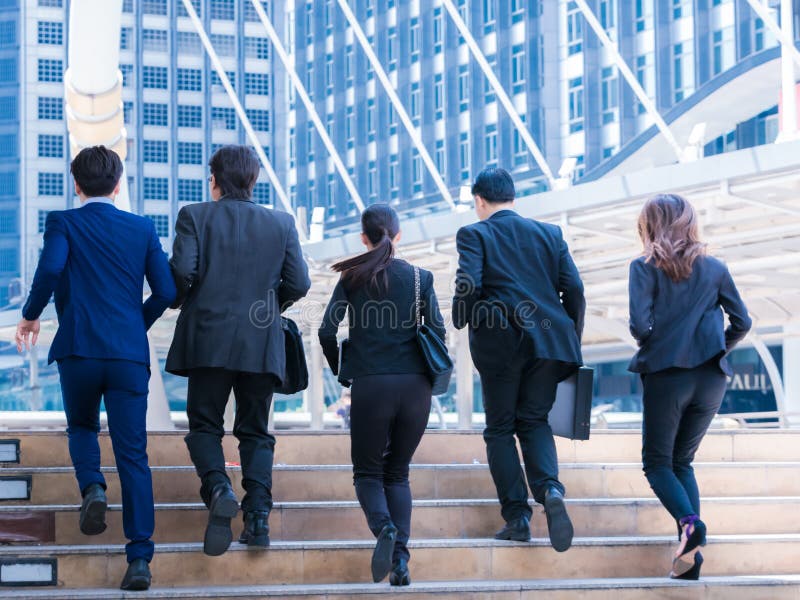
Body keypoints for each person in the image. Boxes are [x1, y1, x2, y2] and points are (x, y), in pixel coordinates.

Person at [15, 146, 175, 591]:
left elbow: (49, 271)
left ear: (76, 184)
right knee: (133, 455)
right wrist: (131, 326)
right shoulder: (142, 228)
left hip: (79, 349)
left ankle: (92, 488)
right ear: (119, 183)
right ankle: (139, 558)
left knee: (83, 429)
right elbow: (166, 290)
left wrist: (30, 315)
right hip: (127, 356)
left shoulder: (63, 221)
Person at [167, 145, 310, 557]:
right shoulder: (281, 224)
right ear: (254, 180)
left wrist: (182, 299)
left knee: (204, 426)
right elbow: (298, 283)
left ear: (215, 179)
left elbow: (182, 272)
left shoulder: (194, 216)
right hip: (260, 341)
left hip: (207, 338)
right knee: (255, 430)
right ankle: (259, 519)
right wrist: (266, 306)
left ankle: (216, 488)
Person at [452, 167, 585, 553]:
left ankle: (517, 517)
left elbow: (470, 283)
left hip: (501, 343)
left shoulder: (474, 233)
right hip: (551, 343)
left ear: (479, 200)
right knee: (533, 420)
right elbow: (573, 287)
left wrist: (462, 315)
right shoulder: (549, 233)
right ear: (512, 197)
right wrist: (568, 336)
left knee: (499, 429)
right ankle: (550, 489)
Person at [318, 203, 445, 586]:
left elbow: (326, 330)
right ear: (399, 235)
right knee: (398, 473)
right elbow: (437, 333)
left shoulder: (353, 277)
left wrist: (343, 367)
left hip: (372, 386)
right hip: (415, 389)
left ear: (363, 237)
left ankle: (384, 528)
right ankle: (400, 563)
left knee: (368, 473)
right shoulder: (421, 279)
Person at [629, 193, 751, 579]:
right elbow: (742, 321)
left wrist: (661, 341)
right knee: (682, 462)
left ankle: (689, 524)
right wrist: (716, 348)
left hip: (668, 374)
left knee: (657, 464)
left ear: (649, 225)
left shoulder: (643, 266)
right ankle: (689, 562)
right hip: (711, 377)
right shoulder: (715, 268)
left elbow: (639, 326)